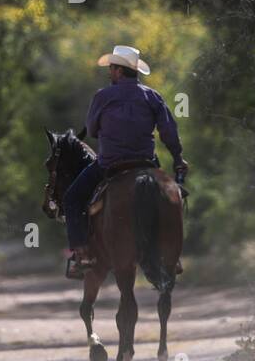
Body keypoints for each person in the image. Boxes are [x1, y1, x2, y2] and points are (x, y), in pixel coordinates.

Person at [63, 45, 188, 279]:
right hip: (146, 163)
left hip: (110, 163)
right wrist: (178, 157)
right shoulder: (152, 96)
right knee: (174, 195)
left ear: (119, 71)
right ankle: (173, 254)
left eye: (111, 68)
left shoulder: (102, 96)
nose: (109, 72)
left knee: (72, 198)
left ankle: (81, 255)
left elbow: (91, 130)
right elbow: (169, 131)